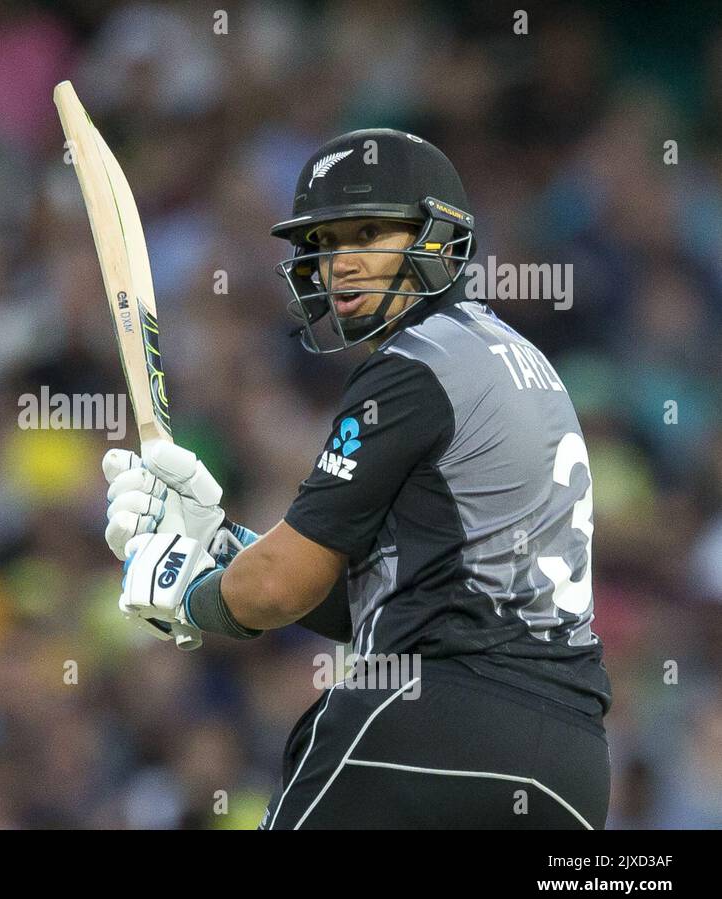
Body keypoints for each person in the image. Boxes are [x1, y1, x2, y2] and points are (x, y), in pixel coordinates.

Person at [105, 129, 612, 829]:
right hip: (572, 769)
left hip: (429, 723)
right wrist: (228, 547)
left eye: (368, 233)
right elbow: (396, 594)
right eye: (329, 242)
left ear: (439, 238)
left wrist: (188, 597)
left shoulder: (414, 363)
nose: (341, 264)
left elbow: (284, 583)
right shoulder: (524, 361)